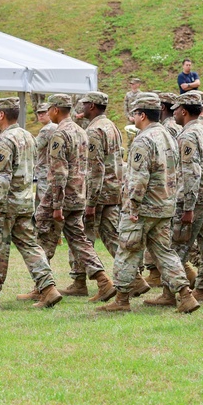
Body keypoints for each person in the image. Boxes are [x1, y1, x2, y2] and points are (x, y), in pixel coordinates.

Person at [96, 93, 200, 314]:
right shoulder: (168, 135)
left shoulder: (143, 140)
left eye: (134, 114)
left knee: (127, 250)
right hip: (164, 206)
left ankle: (121, 300)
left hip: (143, 208)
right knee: (164, 252)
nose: (132, 118)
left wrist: (132, 206)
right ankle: (186, 295)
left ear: (142, 115)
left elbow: (138, 178)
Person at [0, 98, 62, 309]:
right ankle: (48, 288)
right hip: (24, 202)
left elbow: (2, 176)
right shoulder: (28, 136)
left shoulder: (4, 140)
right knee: (30, 246)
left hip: (5, 205)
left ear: (1, 114)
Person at [146, 91, 203, 307]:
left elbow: (191, 173)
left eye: (176, 109)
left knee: (177, 245)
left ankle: (169, 293)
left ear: (184, 111)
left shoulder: (188, 136)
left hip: (195, 199)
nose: (173, 113)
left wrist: (188, 207)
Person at [34, 93, 116, 302]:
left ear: (55, 110)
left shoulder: (59, 134)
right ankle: (104, 281)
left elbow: (59, 172)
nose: (48, 113)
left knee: (42, 239)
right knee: (79, 241)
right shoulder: (81, 131)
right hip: (79, 195)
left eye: (49, 109)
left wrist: (56, 205)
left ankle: (43, 288)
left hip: (60, 197)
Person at [62, 92, 124, 297]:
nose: (82, 107)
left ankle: (81, 281)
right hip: (112, 190)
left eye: (85, 104)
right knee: (112, 236)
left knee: (80, 237)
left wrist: (90, 202)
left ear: (93, 106)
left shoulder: (94, 131)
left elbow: (95, 169)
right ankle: (134, 278)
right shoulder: (112, 126)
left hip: (98, 193)